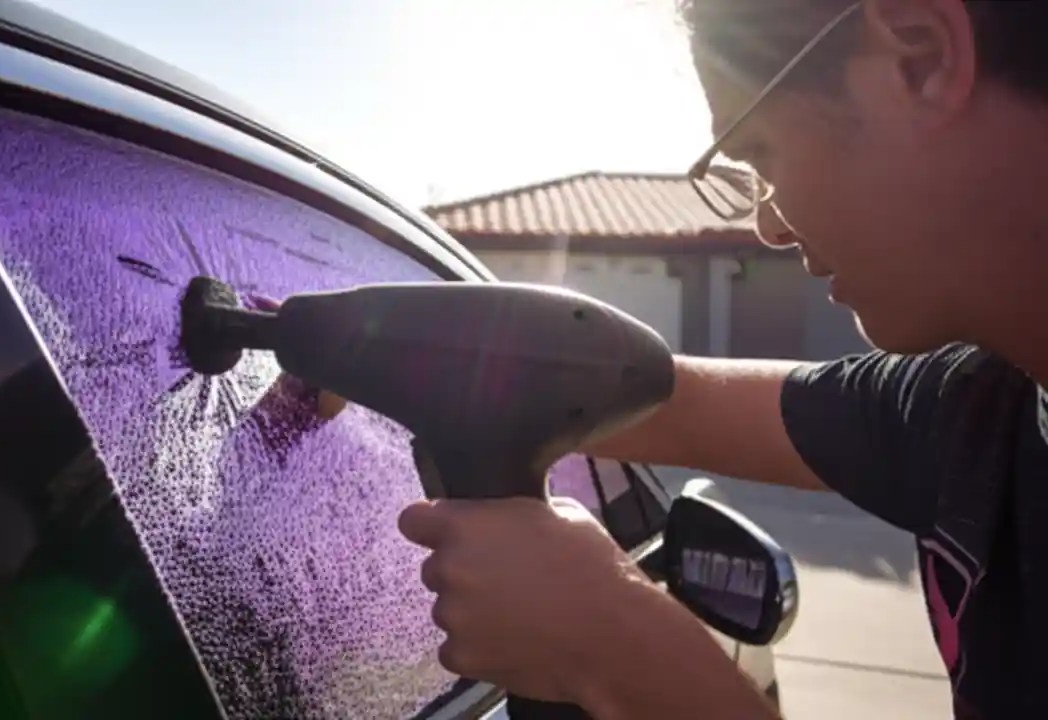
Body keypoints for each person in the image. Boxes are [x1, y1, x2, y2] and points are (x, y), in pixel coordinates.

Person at [397, 0, 1048, 718]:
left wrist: (623, 651)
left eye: (759, 153)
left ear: (920, 58)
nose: (768, 223)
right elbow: (668, 402)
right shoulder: (970, 406)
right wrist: (381, 350)